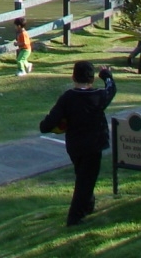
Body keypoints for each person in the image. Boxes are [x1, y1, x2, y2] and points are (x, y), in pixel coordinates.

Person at [39, 61, 116, 226]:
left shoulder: (68, 97)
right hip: (94, 145)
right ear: (92, 79)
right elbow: (111, 89)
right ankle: (75, 217)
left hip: (75, 146)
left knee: (83, 177)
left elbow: (49, 122)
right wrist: (106, 75)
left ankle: (88, 205)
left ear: (73, 77)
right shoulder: (99, 96)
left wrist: (46, 125)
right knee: (85, 181)